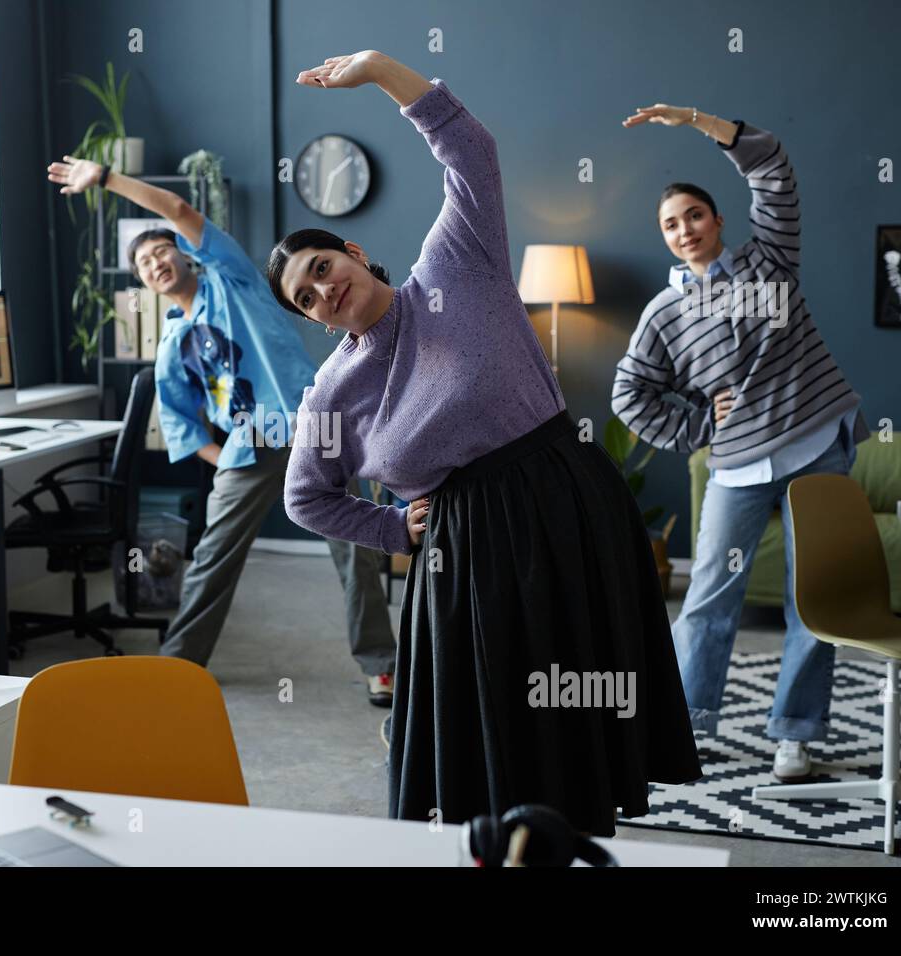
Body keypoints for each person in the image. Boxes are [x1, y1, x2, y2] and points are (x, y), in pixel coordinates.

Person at [269, 50, 700, 834]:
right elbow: (305, 497)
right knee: (502, 715)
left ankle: (579, 829)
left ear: (354, 255)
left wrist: (381, 71)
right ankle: (510, 841)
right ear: (311, 319)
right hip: (466, 546)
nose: (325, 290)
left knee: (582, 686)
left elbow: (471, 151)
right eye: (307, 297)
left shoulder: (456, 263)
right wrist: (393, 529)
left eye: (324, 267)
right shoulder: (333, 390)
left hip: (567, 498)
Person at [47, 155, 397, 704]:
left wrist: (109, 179)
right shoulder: (169, 349)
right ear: (143, 282)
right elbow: (183, 426)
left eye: (162, 249)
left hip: (315, 427)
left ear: (183, 254)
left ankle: (383, 666)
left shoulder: (231, 279)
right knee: (213, 557)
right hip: (247, 449)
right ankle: (180, 666)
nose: (155, 261)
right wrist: (229, 458)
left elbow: (179, 209)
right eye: (143, 263)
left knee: (356, 549)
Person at [613, 104, 868, 782]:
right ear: (664, 239)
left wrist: (698, 120)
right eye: (670, 225)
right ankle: (686, 728)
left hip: (819, 445)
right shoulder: (665, 313)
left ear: (717, 220)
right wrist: (701, 425)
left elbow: (776, 174)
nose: (684, 230)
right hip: (737, 466)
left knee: (815, 597)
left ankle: (796, 734)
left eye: (694, 215)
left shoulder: (769, 262)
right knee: (706, 605)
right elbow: (629, 394)